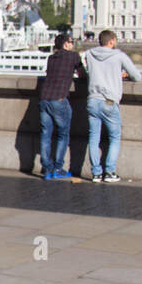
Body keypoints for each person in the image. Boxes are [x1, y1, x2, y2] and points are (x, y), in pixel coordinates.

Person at [83, 29, 142, 183]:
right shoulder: (119, 55)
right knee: (114, 137)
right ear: (111, 41)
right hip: (109, 101)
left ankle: (96, 173)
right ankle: (109, 172)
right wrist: (122, 75)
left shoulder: (89, 54)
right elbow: (137, 76)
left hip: (92, 99)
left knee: (93, 138)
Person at [38, 31, 82, 180]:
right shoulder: (73, 56)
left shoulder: (51, 58)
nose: (72, 44)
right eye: (71, 42)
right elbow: (82, 74)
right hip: (59, 98)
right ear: (65, 44)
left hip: (44, 98)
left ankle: (47, 170)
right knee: (63, 134)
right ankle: (58, 168)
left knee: (46, 134)